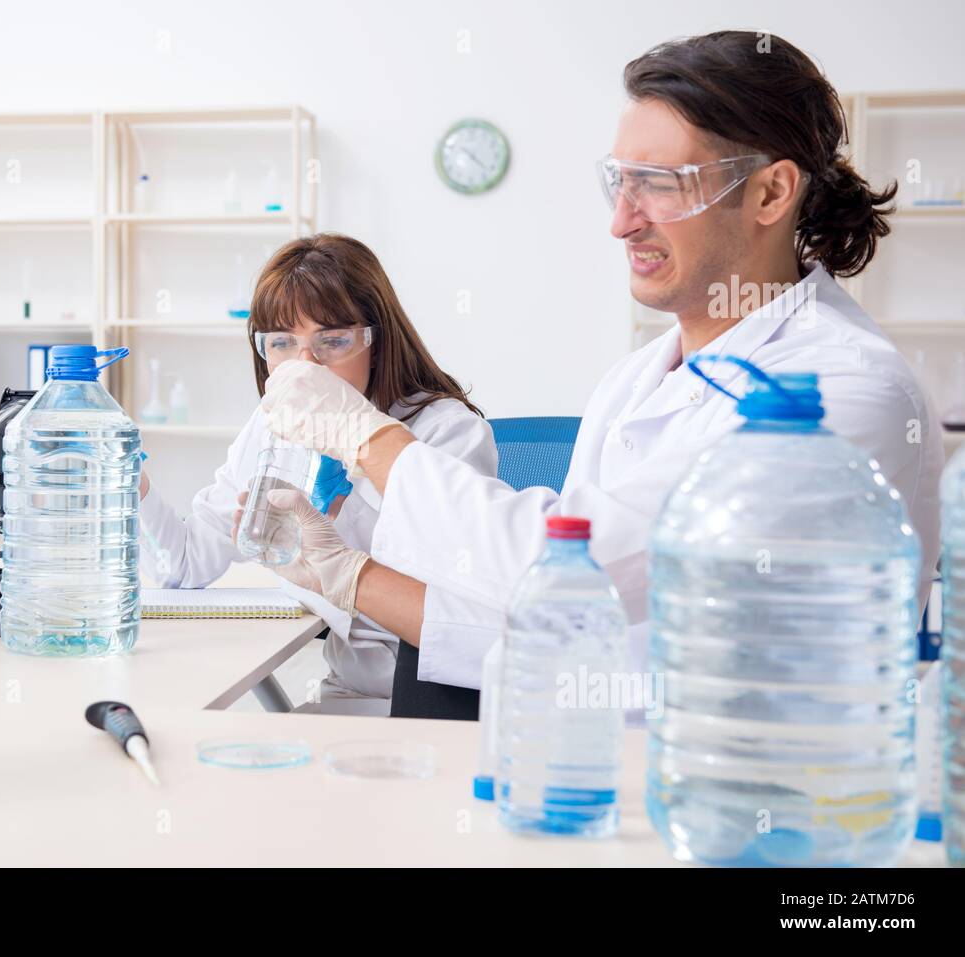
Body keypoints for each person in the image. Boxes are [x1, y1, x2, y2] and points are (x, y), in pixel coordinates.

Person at [255, 31, 945, 701]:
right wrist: (350, 577)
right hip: (601, 769)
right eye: (619, 181)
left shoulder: (846, 388)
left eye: (659, 184)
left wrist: (365, 435)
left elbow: (562, 567)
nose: (620, 221)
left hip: (767, 794)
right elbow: (556, 633)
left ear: (770, 193)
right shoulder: (637, 380)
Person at [138, 233, 497, 714]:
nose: (306, 365)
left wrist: (355, 498)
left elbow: (465, 609)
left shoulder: (444, 433)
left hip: (431, 699)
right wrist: (129, 478)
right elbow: (181, 566)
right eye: (282, 343)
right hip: (344, 691)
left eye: (332, 341)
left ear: (377, 338)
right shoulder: (273, 426)